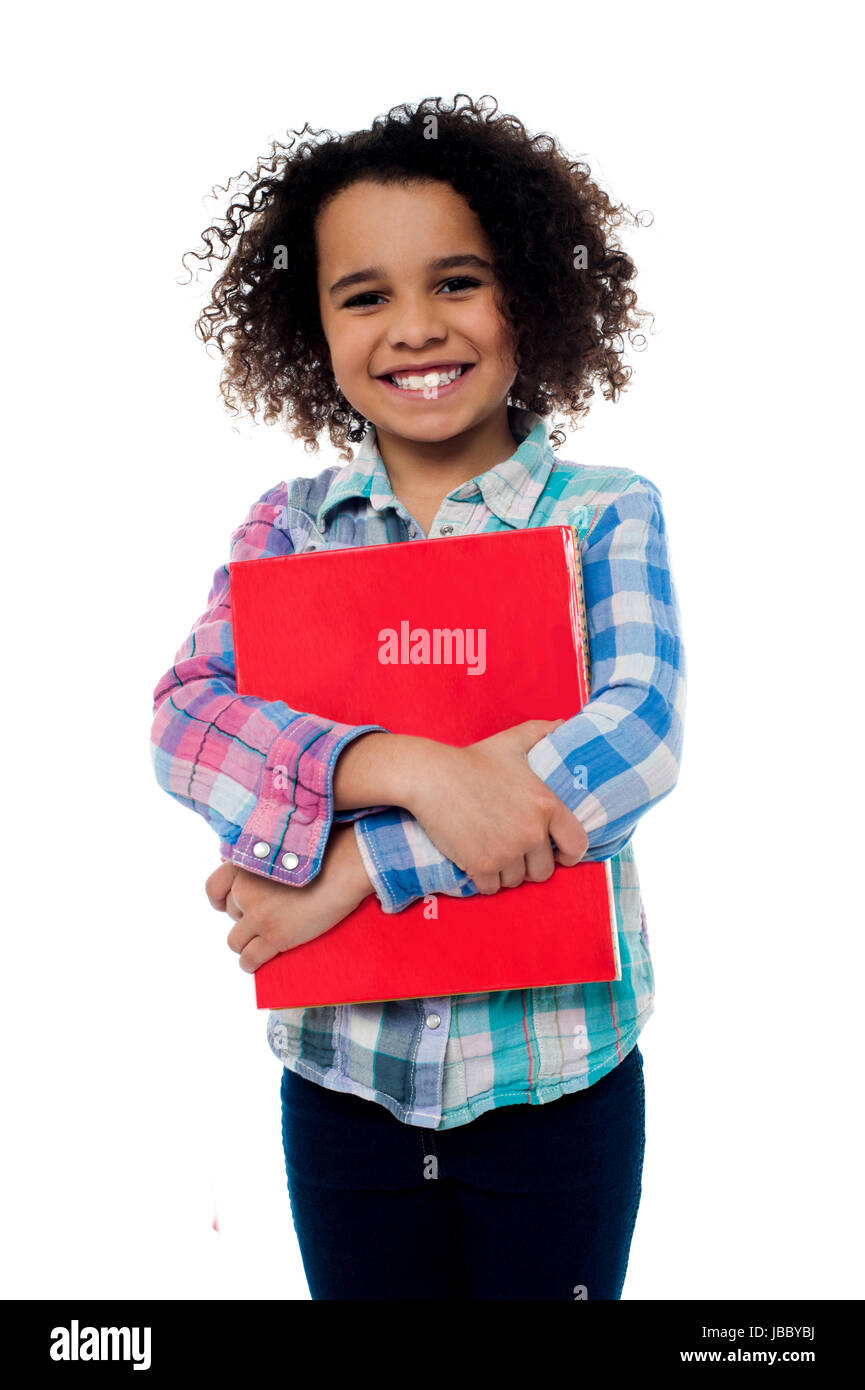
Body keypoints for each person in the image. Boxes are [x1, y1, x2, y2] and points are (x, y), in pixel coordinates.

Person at [150, 93, 686, 1300]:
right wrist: (414, 767)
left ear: (529, 297)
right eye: (365, 295)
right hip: (346, 1093)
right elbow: (187, 722)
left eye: (456, 282)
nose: (413, 327)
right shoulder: (285, 532)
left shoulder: (602, 511)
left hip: (559, 1088)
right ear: (315, 327)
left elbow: (634, 746)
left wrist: (350, 870)